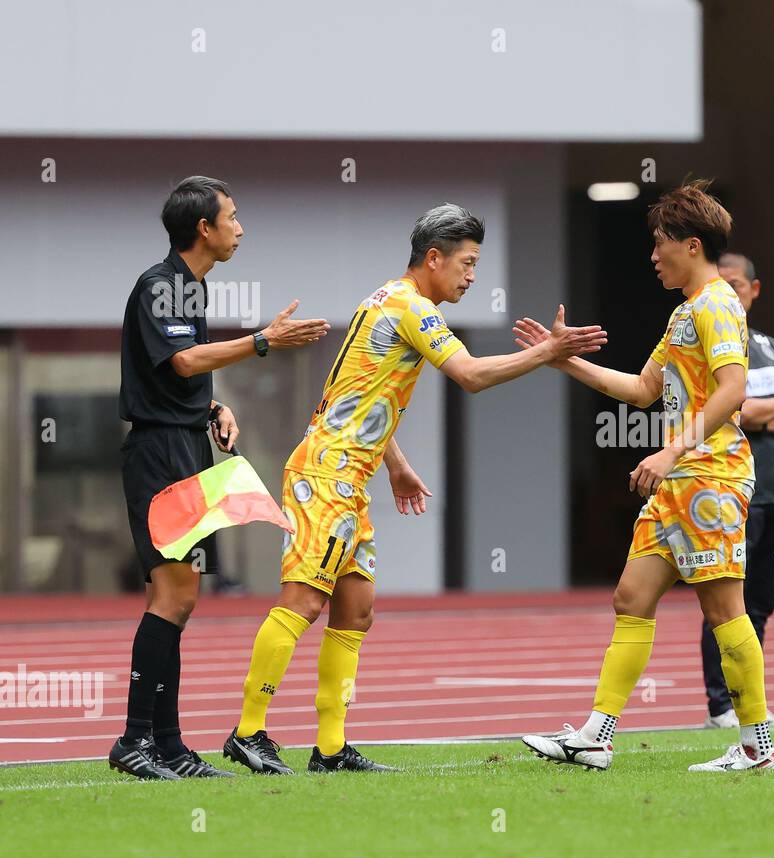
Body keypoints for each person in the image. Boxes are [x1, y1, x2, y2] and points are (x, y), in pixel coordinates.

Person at [223, 204, 606, 774]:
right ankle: (247, 732)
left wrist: (394, 461)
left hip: (350, 475)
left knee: (355, 608)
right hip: (326, 474)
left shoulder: (383, 299)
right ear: (434, 259)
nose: (472, 276)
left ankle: (329, 748)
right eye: (467, 263)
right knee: (304, 601)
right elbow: (471, 376)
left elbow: (356, 390)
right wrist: (548, 352)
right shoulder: (413, 308)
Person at [515, 180, 774, 772]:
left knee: (724, 612)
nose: (653, 255)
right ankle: (596, 736)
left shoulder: (716, 304)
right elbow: (642, 389)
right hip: (680, 481)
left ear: (692, 244)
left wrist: (668, 453)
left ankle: (758, 748)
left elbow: (733, 390)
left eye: (660, 243)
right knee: (631, 598)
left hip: (710, 477)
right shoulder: (684, 312)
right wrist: (563, 360)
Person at [111, 175, 329, 780]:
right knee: (173, 594)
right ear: (203, 228)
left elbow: (177, 375)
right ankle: (135, 742)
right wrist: (264, 341)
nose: (240, 226)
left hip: (185, 447)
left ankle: (170, 747)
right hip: (159, 456)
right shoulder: (161, 285)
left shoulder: (188, 289)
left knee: (182, 597)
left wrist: (209, 407)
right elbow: (181, 360)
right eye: (232, 216)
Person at [699, 252, 774, 729]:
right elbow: (728, 413)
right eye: (722, 284)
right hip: (730, 490)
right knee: (726, 602)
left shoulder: (770, 346)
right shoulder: (713, 342)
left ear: (754, 289)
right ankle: (721, 706)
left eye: (738, 285)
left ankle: (752, 706)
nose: (731, 292)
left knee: (761, 603)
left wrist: (755, 410)